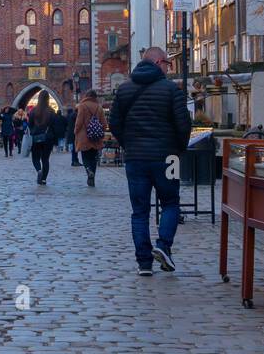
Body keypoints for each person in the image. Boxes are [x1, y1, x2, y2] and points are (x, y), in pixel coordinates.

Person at [109, 47, 191, 276]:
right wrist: (179, 149)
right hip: (169, 157)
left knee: (139, 211)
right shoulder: (171, 89)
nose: (168, 67)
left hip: (135, 159)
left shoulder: (124, 90)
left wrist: (129, 144)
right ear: (157, 62)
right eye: (167, 62)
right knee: (171, 203)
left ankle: (144, 263)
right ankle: (163, 245)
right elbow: (184, 124)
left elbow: (114, 123)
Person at [74, 89, 105, 187]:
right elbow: (104, 123)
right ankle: (93, 178)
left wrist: (76, 131)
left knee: (85, 157)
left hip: (84, 137)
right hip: (95, 137)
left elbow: (79, 121)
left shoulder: (82, 106)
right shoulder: (99, 107)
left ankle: (88, 170)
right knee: (94, 158)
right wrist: (100, 131)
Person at [28, 90, 56, 186]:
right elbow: (54, 126)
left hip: (36, 138)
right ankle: (43, 179)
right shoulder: (51, 111)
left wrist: (34, 131)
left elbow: (30, 125)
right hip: (48, 138)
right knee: (45, 159)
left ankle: (39, 170)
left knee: (35, 158)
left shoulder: (33, 111)